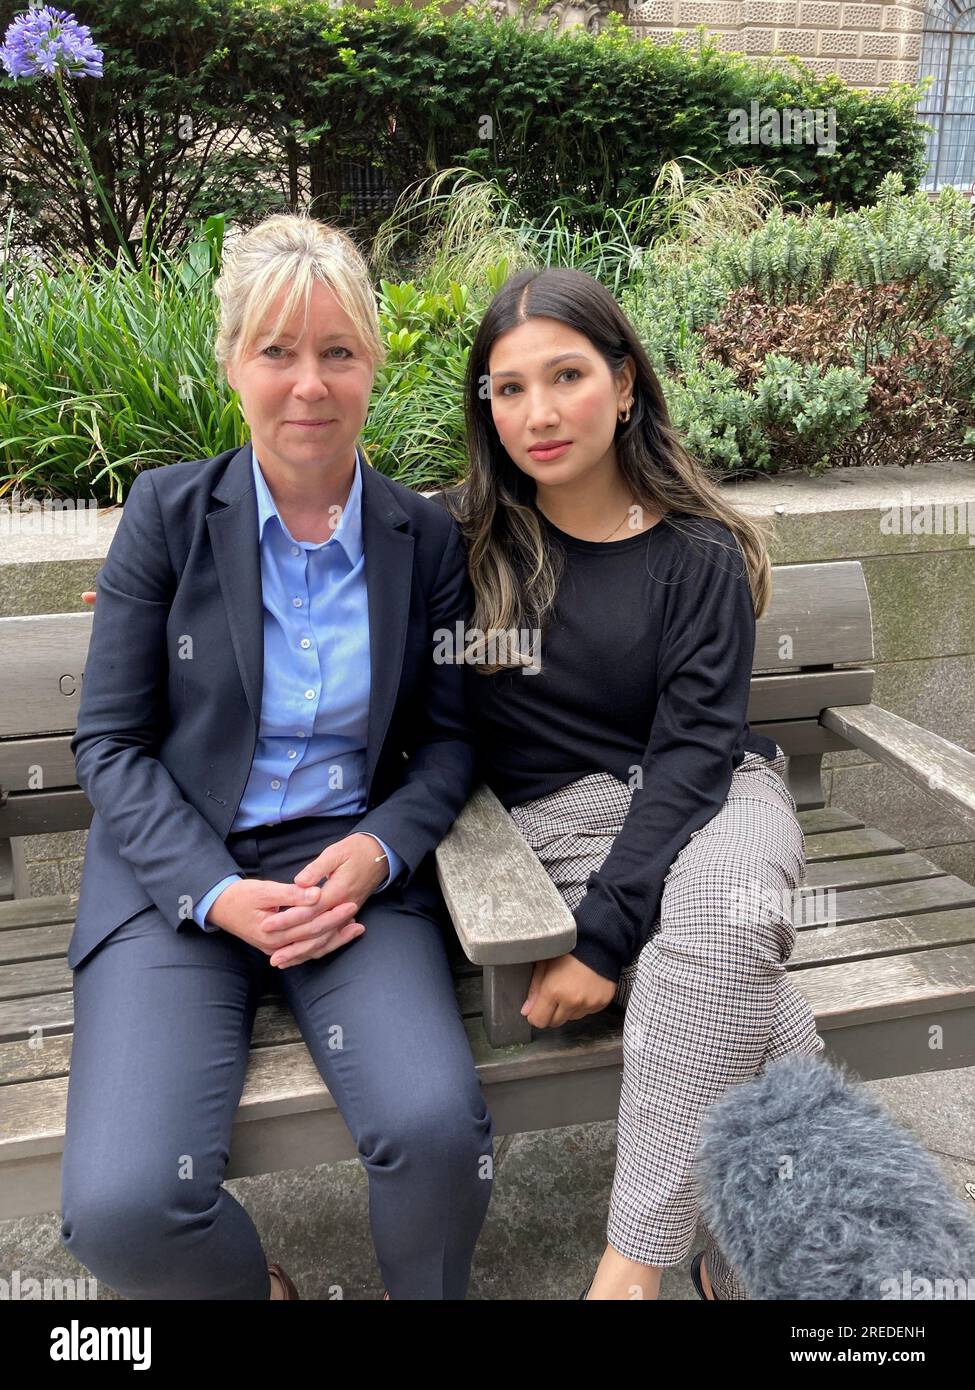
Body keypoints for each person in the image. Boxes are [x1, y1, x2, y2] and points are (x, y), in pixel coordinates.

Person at [61, 213, 494, 1301]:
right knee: (124, 1210)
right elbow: (109, 742)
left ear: (372, 367)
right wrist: (214, 890)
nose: (309, 383)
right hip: (180, 880)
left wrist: (380, 850)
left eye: (337, 351)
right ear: (232, 365)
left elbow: (450, 741)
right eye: (277, 351)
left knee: (440, 1136)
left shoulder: (423, 539)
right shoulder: (166, 516)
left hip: (345, 877)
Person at [443, 265, 826, 1301]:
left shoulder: (700, 550)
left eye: (566, 375)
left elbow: (697, 753)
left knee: (729, 915)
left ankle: (629, 1268)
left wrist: (604, 938)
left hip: (717, 793)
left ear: (622, 384)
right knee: (760, 1003)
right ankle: (742, 1258)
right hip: (556, 827)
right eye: (509, 388)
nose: (538, 412)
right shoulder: (459, 541)